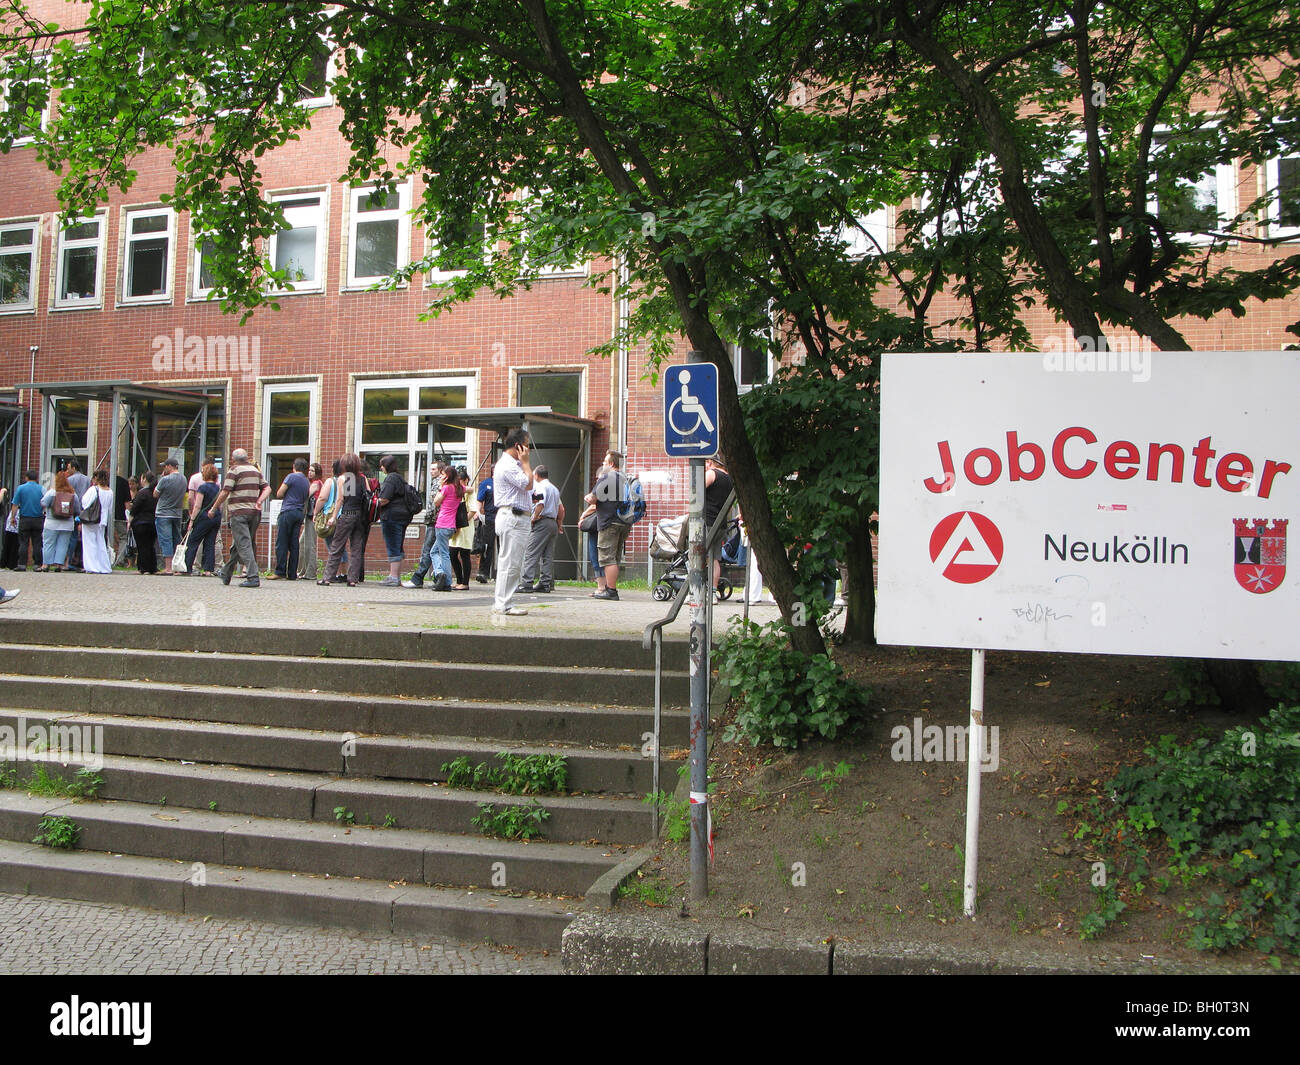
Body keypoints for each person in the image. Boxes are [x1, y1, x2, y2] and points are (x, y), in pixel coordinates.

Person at [209, 448, 269, 588]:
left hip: (239, 512)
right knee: (239, 545)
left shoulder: (234, 470)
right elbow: (267, 488)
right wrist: (259, 501)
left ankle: (253, 577)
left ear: (233, 459)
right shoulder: (256, 471)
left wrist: (214, 508)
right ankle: (226, 572)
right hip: (254, 513)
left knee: (243, 544)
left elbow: (225, 491)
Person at [491, 428, 533, 616]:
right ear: (519, 446)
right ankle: (503, 604)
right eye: (527, 445)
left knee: (512, 562)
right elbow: (528, 483)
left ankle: (504, 602)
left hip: (516, 517)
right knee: (511, 563)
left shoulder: (511, 464)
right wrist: (526, 463)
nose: (529, 449)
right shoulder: (508, 465)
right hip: (513, 518)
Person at [320, 453, 370, 587]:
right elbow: (367, 495)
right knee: (356, 548)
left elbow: (341, 499)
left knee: (337, 545)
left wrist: (333, 517)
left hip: (348, 514)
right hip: (360, 517)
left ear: (344, 464)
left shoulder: (345, 478)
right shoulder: (362, 478)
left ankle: (327, 577)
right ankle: (353, 579)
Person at [586, 450, 629, 601]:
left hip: (609, 522)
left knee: (606, 557)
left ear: (611, 464)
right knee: (615, 556)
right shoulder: (626, 478)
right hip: (624, 522)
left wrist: (588, 497)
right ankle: (610, 588)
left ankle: (611, 590)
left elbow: (593, 498)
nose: (603, 464)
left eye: (605, 462)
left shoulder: (607, 477)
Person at [519, 464, 564, 594]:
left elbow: (540, 503)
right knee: (548, 555)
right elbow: (561, 509)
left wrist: (534, 517)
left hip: (542, 522)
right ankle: (546, 583)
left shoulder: (540, 486)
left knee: (531, 553)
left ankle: (526, 583)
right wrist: (559, 523)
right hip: (552, 523)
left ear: (537, 475)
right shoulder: (555, 489)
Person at [405, 460, 446, 589]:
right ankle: (438, 575)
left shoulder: (439, 483)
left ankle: (418, 577)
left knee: (428, 550)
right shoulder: (438, 482)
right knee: (435, 550)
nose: (431, 471)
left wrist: (431, 517)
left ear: (440, 470)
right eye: (430, 469)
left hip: (434, 521)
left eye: (434, 469)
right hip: (436, 521)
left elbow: (435, 503)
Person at [270, 457, 311, 580]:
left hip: (287, 511)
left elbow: (280, 493)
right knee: (294, 544)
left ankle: (280, 571)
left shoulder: (291, 477)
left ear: (294, 466)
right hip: (299, 513)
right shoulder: (306, 481)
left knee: (281, 542)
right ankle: (292, 573)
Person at [375, 455, 412, 587]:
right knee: (398, 544)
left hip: (391, 517)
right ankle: (396, 575)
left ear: (387, 466)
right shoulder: (400, 478)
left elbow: (385, 498)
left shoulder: (390, 479)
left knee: (393, 545)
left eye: (382, 465)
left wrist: (374, 503)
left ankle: (394, 576)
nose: (381, 467)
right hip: (403, 517)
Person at [39, 469, 80, 571]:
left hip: (51, 522)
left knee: (48, 543)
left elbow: (43, 503)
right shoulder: (72, 493)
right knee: (63, 544)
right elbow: (77, 508)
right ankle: (59, 565)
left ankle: (46, 564)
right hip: (67, 523)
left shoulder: (52, 492)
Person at [184, 462, 221, 576]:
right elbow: (221, 505)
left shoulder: (202, 487)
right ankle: (208, 569)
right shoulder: (218, 488)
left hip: (204, 517)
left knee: (193, 542)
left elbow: (197, 505)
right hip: (216, 517)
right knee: (210, 543)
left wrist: (192, 520)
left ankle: (187, 567)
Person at [153, 456, 187, 575]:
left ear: (169, 466)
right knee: (177, 539)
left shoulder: (165, 479)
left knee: (166, 539)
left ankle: (168, 568)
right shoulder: (184, 479)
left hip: (163, 513)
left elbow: (155, 494)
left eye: (165, 466)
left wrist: (162, 478)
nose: (164, 468)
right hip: (177, 514)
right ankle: (176, 566)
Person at [704, 456, 733, 590]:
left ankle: (695, 590)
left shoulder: (711, 473)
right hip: (720, 524)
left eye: (706, 463)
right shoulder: (729, 478)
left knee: (699, 555)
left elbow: (696, 491)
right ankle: (713, 592)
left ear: (710, 462)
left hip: (707, 521)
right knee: (715, 559)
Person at [79, 470, 114, 573]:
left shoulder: (93, 489)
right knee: (101, 543)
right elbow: (110, 508)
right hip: (102, 520)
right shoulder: (110, 491)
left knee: (89, 543)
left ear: (96, 478)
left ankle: (92, 566)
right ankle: (104, 567)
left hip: (91, 518)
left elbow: (85, 502)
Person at [12, 469, 45, 570]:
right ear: (36, 478)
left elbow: (15, 504)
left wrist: (13, 517)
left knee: (23, 542)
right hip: (38, 519)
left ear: (26, 477)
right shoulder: (42, 489)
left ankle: (22, 564)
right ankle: (37, 564)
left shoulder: (21, 488)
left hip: (25, 518)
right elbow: (45, 504)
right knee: (37, 543)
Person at [297, 462, 325, 580]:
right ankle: (302, 570)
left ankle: (310, 572)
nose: (309, 472)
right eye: (309, 470)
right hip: (311, 516)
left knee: (310, 544)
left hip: (311, 516)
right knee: (302, 542)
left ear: (317, 473)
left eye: (312, 471)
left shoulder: (316, 483)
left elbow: (305, 495)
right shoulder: (318, 483)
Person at [449, 467, 475, 590]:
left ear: (466, 480)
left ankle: (465, 582)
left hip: (465, 527)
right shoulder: (456, 491)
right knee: (452, 553)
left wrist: (462, 522)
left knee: (465, 554)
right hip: (455, 525)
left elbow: (473, 510)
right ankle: (458, 579)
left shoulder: (470, 493)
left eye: (461, 480)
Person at [130, 470, 159, 574]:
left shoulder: (141, 493)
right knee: (150, 545)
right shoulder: (155, 493)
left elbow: (134, 508)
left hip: (141, 522)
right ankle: (152, 567)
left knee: (142, 546)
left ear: (145, 479)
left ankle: (143, 567)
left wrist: (130, 521)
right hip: (152, 522)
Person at [475, 471, 497, 582]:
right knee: (487, 546)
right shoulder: (486, 483)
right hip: (489, 518)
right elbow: (480, 500)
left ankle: (501, 574)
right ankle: (483, 572)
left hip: (503, 518)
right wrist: (478, 512)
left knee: (503, 547)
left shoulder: (505, 483)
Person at [113, 473, 131, 566]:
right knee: (123, 537)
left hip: (106, 515)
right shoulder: (123, 482)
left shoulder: (103, 482)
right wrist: (128, 516)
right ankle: (119, 559)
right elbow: (127, 502)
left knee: (105, 536)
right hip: (120, 514)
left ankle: (107, 558)